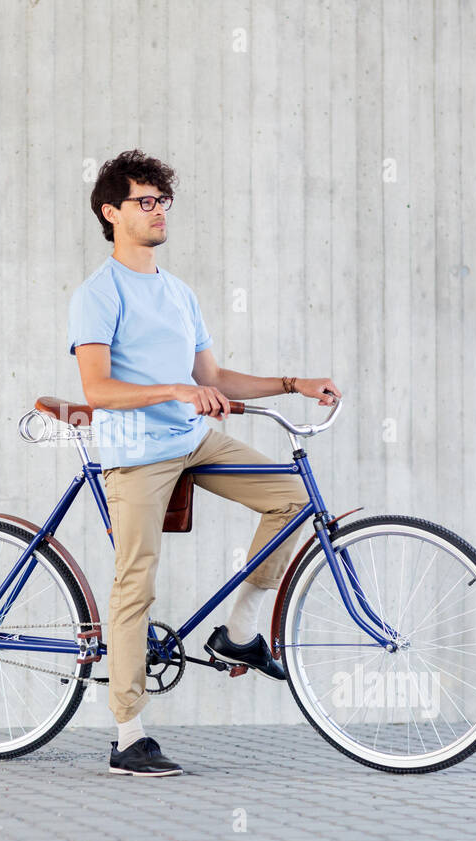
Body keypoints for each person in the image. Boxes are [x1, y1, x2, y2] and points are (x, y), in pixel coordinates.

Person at [68, 149, 341, 777]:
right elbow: (99, 390)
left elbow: (214, 376)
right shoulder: (98, 294)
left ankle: (238, 629)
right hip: (137, 452)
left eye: (163, 201)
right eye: (145, 201)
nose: (158, 210)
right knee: (135, 581)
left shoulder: (178, 292)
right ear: (111, 213)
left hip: (193, 440)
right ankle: (128, 735)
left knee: (290, 496)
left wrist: (293, 381)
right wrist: (176, 391)